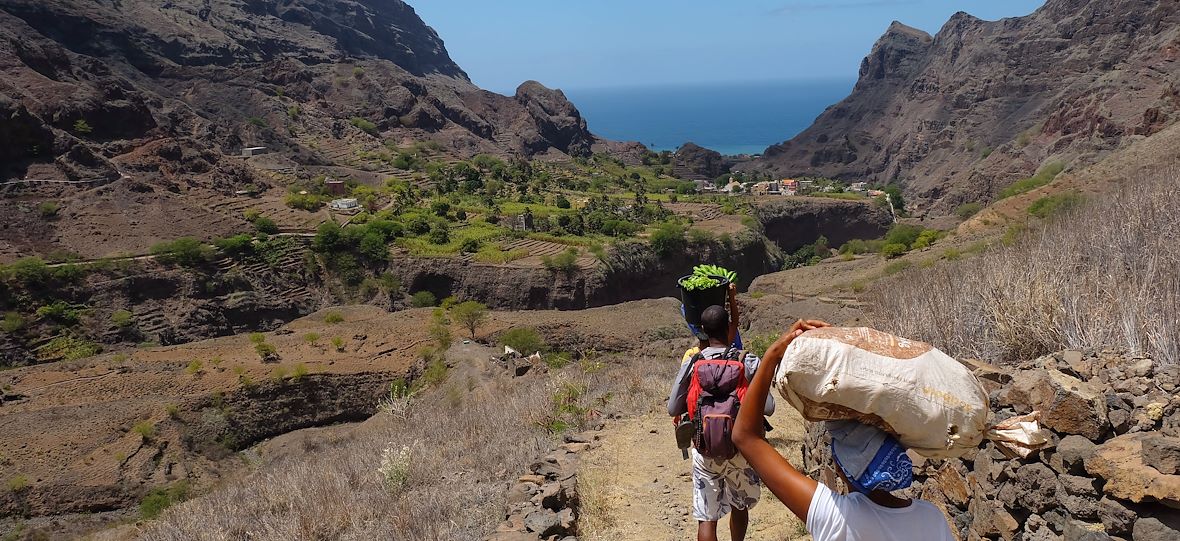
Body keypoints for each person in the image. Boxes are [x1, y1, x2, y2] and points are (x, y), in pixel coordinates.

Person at [731, 320, 956, 541]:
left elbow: (745, 436)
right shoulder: (932, 518)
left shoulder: (837, 518)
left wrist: (772, 355)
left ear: (841, 468)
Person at [668, 303, 774, 541]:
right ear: (729, 328)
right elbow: (769, 407)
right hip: (740, 448)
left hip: (704, 449)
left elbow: (672, 408)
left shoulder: (693, 362)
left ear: (703, 330)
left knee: (707, 516)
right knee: (739, 505)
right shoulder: (747, 361)